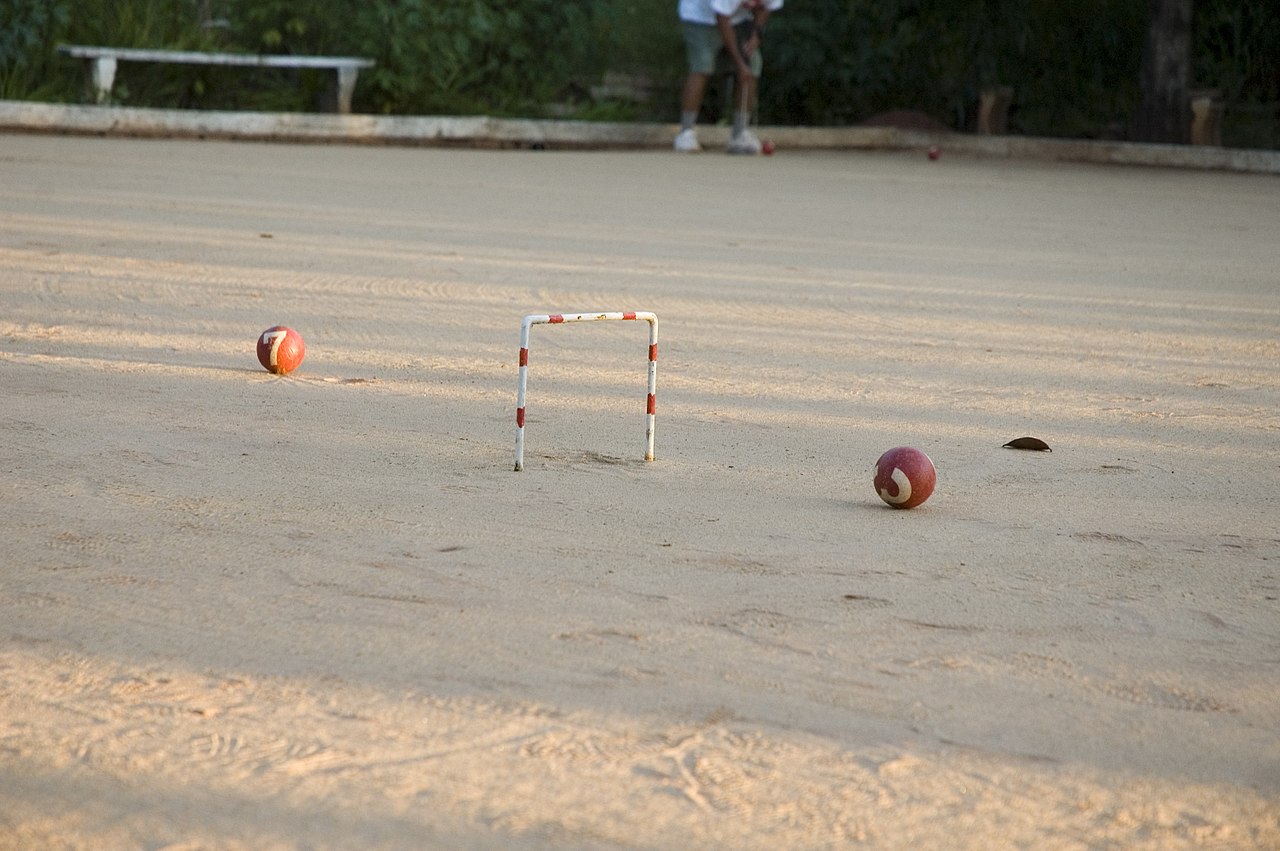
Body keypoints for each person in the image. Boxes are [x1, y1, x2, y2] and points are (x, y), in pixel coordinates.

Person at [675, 0, 783, 155]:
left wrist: (756, 33)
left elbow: (766, 8)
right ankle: (685, 133)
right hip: (700, 16)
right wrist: (739, 63)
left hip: (739, 19)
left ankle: (740, 133)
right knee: (702, 66)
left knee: (752, 67)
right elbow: (722, 18)